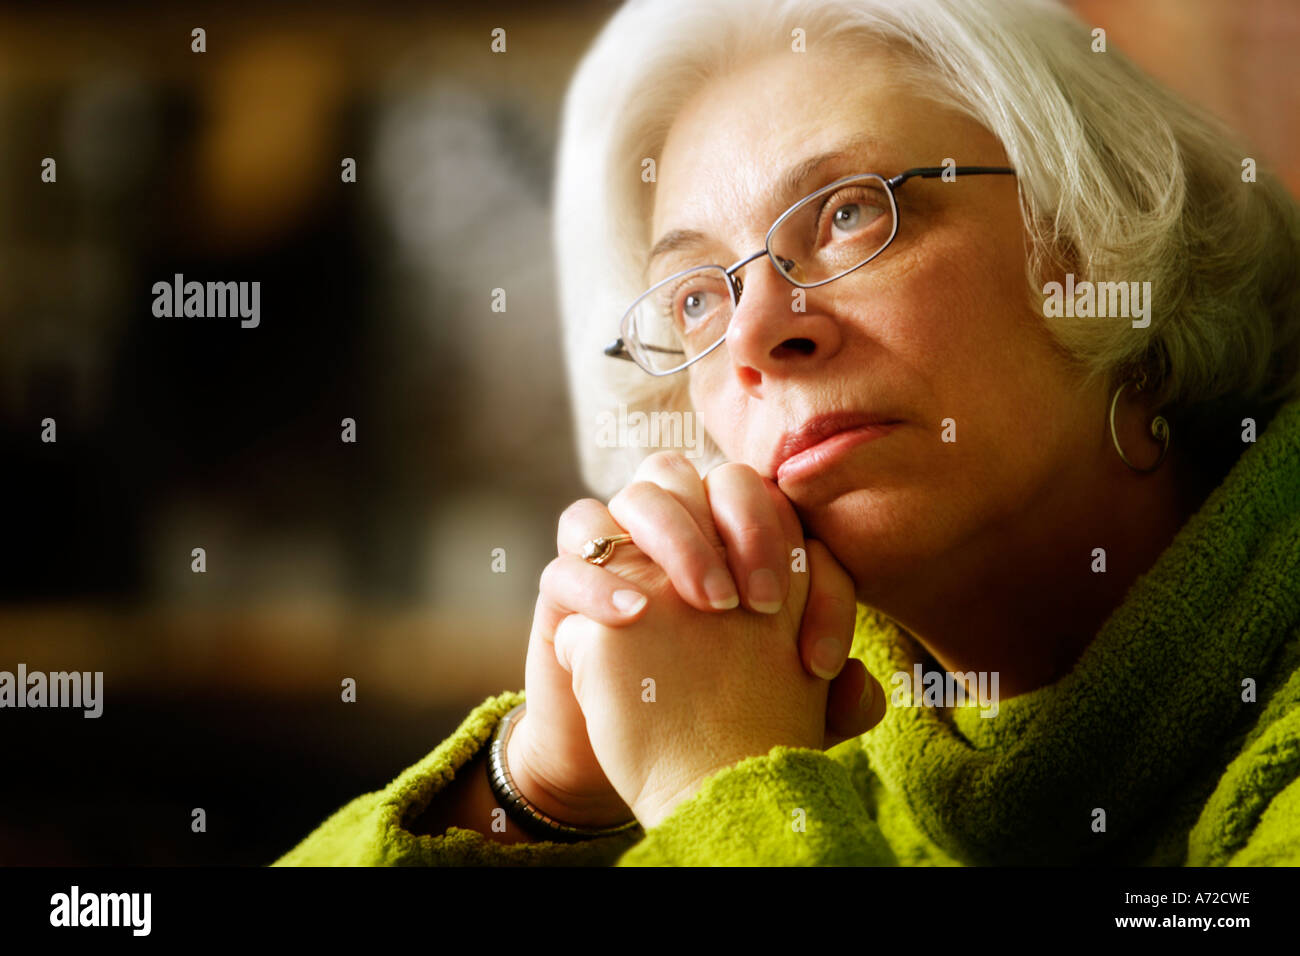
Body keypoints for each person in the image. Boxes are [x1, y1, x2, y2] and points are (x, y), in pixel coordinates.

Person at [274, 0, 1300, 866]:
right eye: (693, 298)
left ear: (1093, 234)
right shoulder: (784, 694)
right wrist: (534, 790)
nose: (758, 335)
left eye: (849, 214)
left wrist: (718, 786)